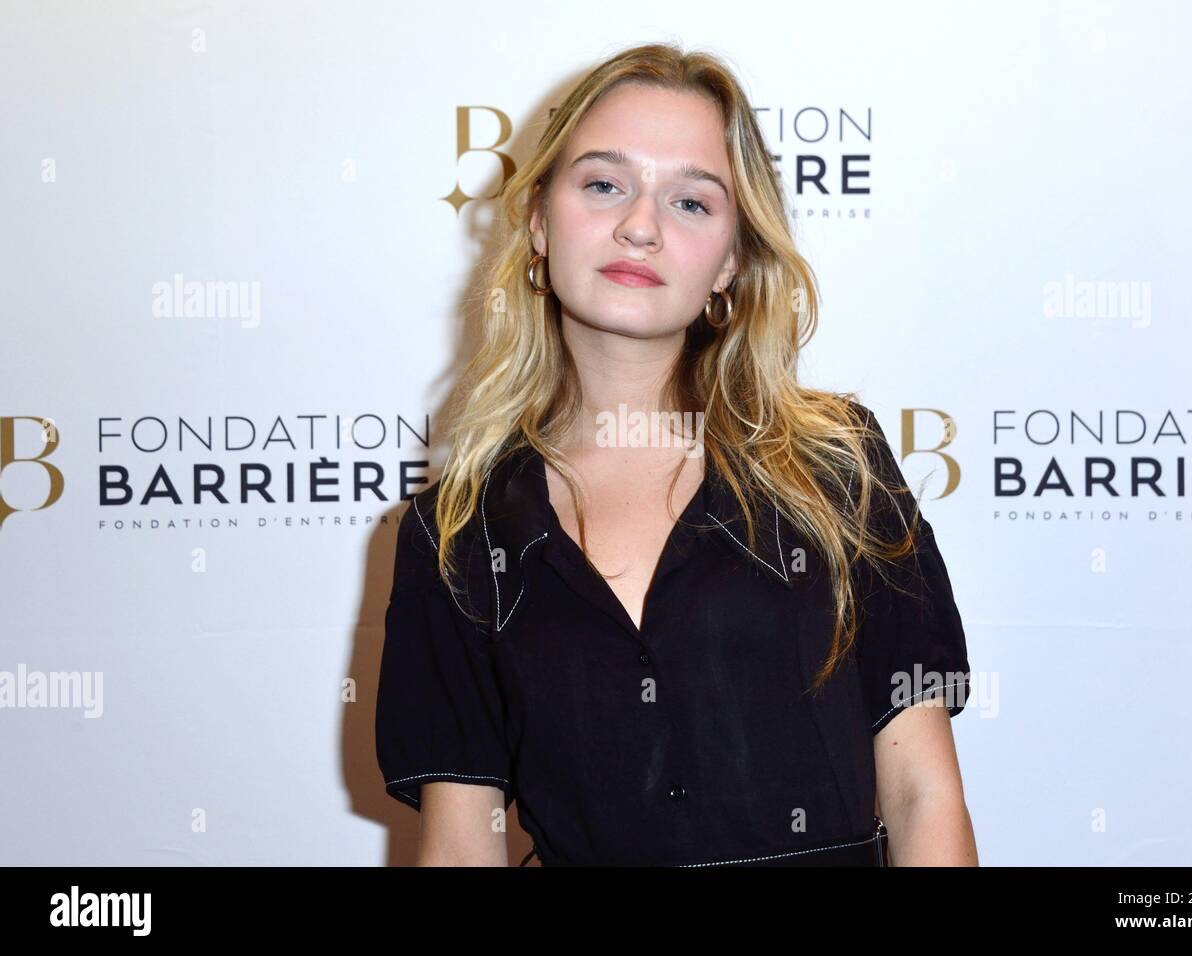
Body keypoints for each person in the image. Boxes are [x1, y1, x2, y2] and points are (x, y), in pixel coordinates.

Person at [375, 41, 976, 866]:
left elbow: (922, 797)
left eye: (691, 202)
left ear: (731, 260)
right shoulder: (453, 532)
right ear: (539, 223)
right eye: (603, 185)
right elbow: (459, 842)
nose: (639, 226)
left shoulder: (840, 469)